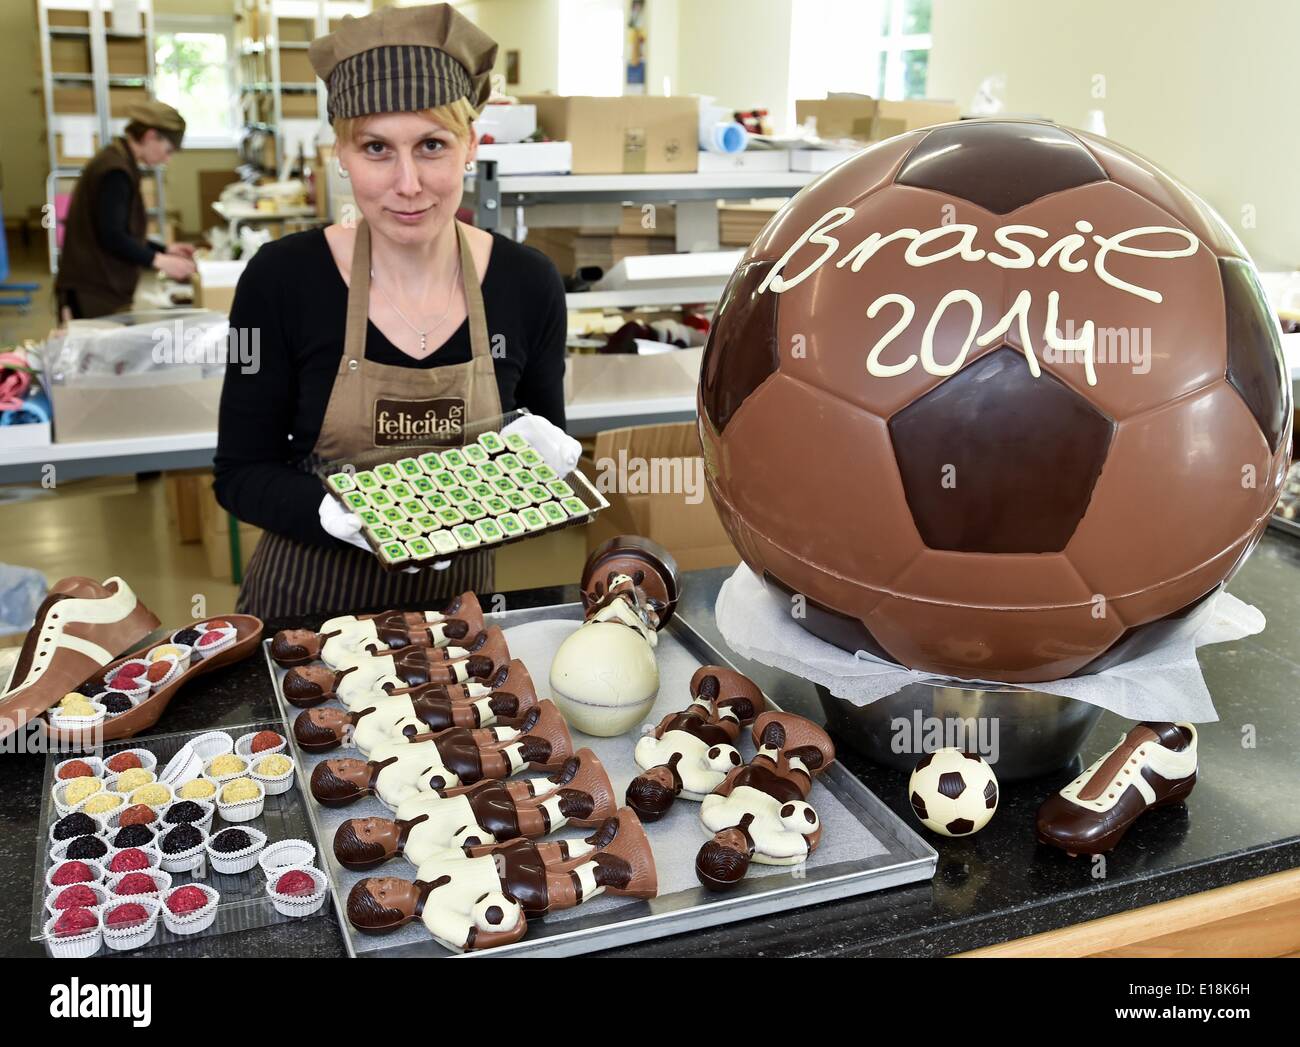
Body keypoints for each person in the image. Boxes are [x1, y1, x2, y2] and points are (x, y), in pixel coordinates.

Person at [214, 3, 568, 617]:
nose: (407, 183)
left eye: (432, 145)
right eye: (377, 148)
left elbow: (543, 467)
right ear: (341, 155)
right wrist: (332, 512)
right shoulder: (283, 279)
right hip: (305, 618)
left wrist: (546, 463)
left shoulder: (526, 282)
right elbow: (241, 473)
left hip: (463, 630)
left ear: (470, 147)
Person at [54, 101, 195, 319]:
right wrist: (160, 261)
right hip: (93, 289)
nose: (167, 159)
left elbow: (121, 230)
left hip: (97, 285)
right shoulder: (115, 171)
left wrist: (164, 249)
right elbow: (112, 236)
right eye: (168, 151)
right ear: (150, 136)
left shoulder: (118, 159)